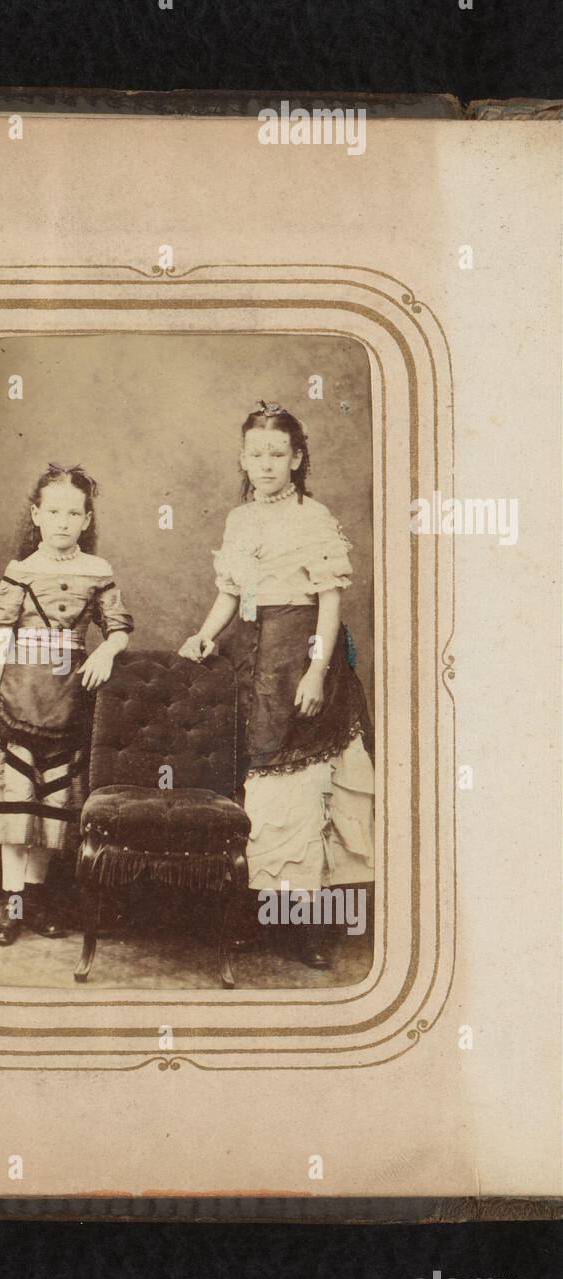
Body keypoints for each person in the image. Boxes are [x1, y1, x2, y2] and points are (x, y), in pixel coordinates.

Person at [179, 402, 374, 969]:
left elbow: (330, 603)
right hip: (253, 661)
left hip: (301, 655)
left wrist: (315, 670)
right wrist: (204, 635)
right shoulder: (240, 520)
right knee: (259, 791)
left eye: (277, 454)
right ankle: (261, 915)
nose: (265, 464)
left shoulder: (314, 517)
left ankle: (309, 927)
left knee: (307, 789)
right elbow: (230, 593)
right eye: (256, 454)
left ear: (296, 458)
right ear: (244, 458)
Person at [0, 463, 134, 945]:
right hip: (18, 698)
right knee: (18, 805)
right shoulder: (19, 572)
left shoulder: (97, 571)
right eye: (53, 511)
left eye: (73, 513)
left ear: (86, 519)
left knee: (52, 805)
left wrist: (106, 649)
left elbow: (119, 629)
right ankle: (11, 904)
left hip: (68, 703)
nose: (63, 521)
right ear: (36, 515)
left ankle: (34, 901)